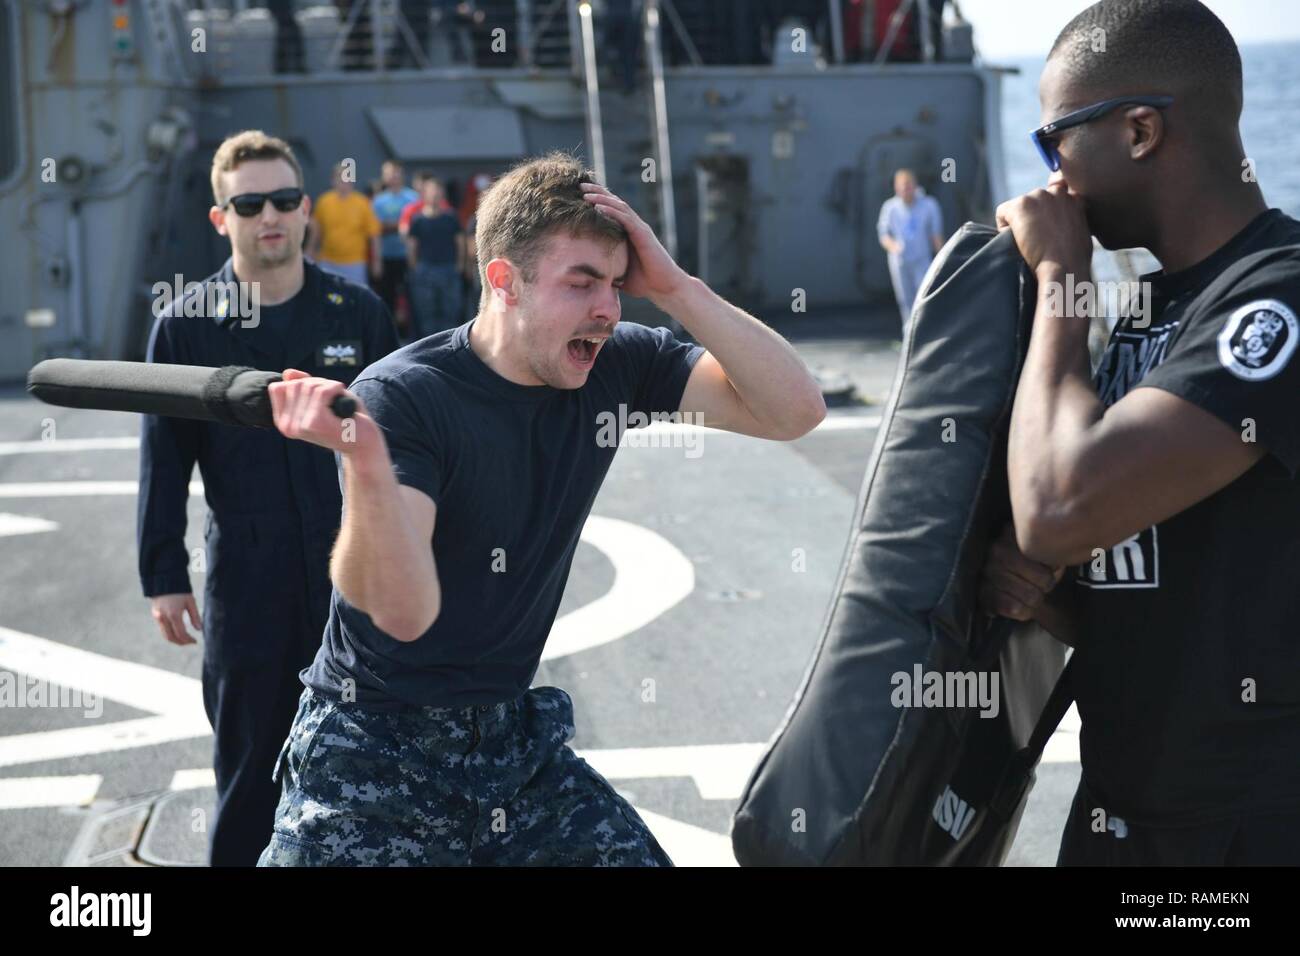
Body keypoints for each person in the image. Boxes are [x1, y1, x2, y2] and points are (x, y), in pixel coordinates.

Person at [256, 152, 826, 866]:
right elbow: (401, 612)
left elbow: (794, 410)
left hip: (512, 750)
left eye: (617, 285)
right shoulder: (405, 398)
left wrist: (676, 288)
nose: (609, 308)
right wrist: (365, 462)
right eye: (581, 282)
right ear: (504, 281)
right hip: (372, 748)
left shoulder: (616, 362)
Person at [979, 0, 1300, 866]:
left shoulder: (1278, 299)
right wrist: (1046, 593)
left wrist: (1059, 274)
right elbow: (1174, 589)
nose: (1049, 174)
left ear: (1140, 130)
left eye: (1055, 142)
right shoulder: (1155, 306)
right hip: (1126, 813)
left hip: (1243, 828)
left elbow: (1058, 506)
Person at [138, 130, 399, 866]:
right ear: (221, 218)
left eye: (284, 199)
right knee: (251, 774)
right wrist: (163, 574)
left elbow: (406, 450)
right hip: (246, 583)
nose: (269, 216)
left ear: (306, 207)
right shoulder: (185, 325)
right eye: (248, 204)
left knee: (367, 772)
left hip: (352, 578)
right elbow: (165, 456)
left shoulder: (358, 313)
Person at [877, 168, 944, 327]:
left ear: (915, 186)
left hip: (922, 260)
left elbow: (936, 235)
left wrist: (943, 260)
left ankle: (927, 331)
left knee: (924, 297)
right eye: (902, 187)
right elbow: (883, 235)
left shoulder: (929, 205)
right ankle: (909, 334)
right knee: (905, 300)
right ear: (896, 188)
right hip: (900, 262)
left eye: (908, 186)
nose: (906, 190)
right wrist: (894, 247)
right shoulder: (890, 208)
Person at [403, 177, 466, 338]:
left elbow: (460, 243)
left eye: (438, 190)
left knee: (450, 314)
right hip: (425, 271)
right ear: (424, 194)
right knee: (426, 316)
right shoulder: (417, 220)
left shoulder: (451, 217)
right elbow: (412, 246)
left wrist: (459, 265)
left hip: (448, 270)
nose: (435, 194)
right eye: (432, 190)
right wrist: (415, 267)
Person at [308, 163, 382, 288]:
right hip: (328, 262)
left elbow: (374, 235)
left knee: (357, 302)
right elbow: (317, 230)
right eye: (340, 177)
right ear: (333, 180)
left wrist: (377, 261)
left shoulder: (363, 203)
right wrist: (310, 250)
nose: (344, 181)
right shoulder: (324, 202)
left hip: (355, 263)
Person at [371, 161, 419, 321]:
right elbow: (376, 229)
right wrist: (400, 224)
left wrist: (391, 225)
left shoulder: (413, 197)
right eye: (390, 174)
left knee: (411, 295)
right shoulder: (378, 201)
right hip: (386, 255)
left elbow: (415, 226)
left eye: (396, 173)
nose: (394, 177)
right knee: (387, 296)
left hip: (408, 256)